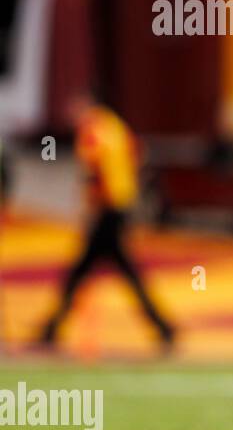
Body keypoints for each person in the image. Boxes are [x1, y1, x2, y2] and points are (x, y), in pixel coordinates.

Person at [37, 93, 175, 351]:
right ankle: (163, 327)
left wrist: (90, 208)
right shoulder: (115, 125)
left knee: (83, 273)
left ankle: (51, 328)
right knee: (117, 273)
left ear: (85, 106)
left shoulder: (92, 130)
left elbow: (94, 170)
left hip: (107, 210)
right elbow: (138, 155)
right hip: (121, 206)